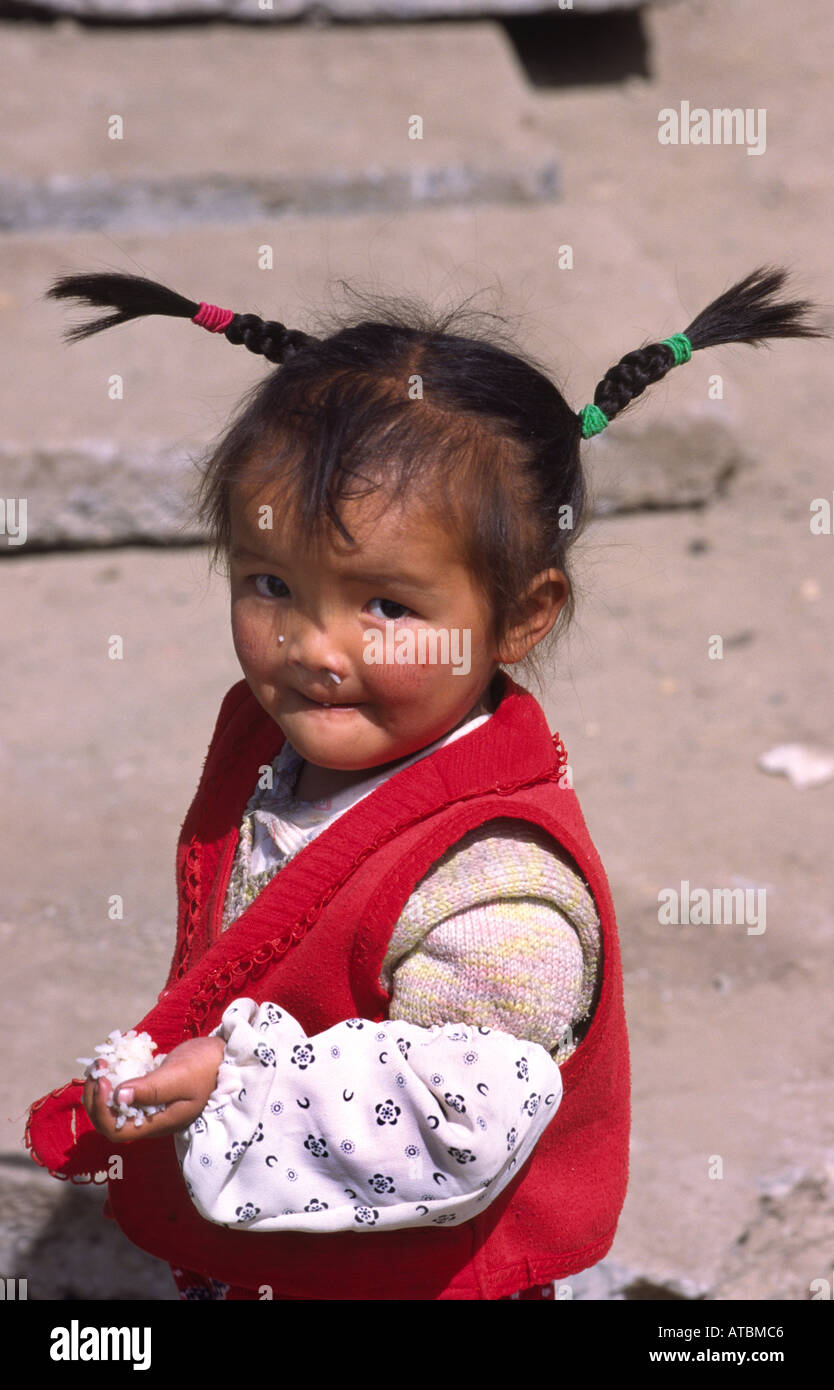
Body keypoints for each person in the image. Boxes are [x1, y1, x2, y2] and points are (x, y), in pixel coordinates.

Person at [25, 266, 825, 1301]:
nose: (316, 645)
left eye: (388, 606)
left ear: (523, 615)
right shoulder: (279, 751)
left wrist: (242, 1087)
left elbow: (456, 1123)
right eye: (272, 584)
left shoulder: (496, 887)